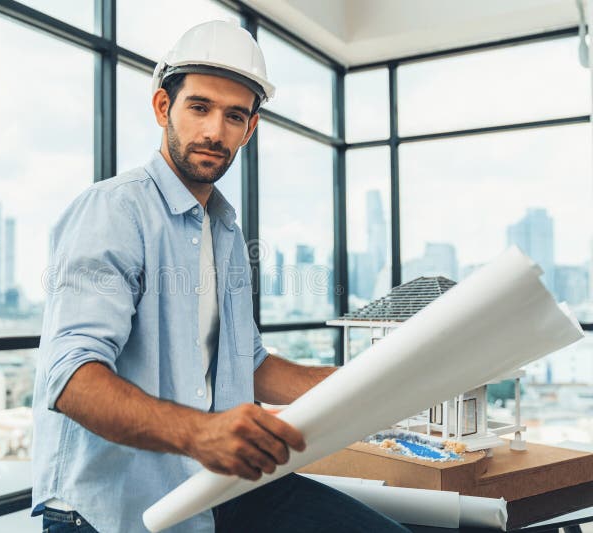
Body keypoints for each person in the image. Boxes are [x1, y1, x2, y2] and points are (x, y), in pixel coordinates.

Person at [31, 20, 409, 533]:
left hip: (221, 490)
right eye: (199, 107)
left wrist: (356, 384)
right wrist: (200, 433)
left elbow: (249, 365)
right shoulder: (113, 211)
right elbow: (71, 378)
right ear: (163, 107)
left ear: (249, 130)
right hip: (114, 513)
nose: (215, 132)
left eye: (234, 116)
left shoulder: (225, 230)